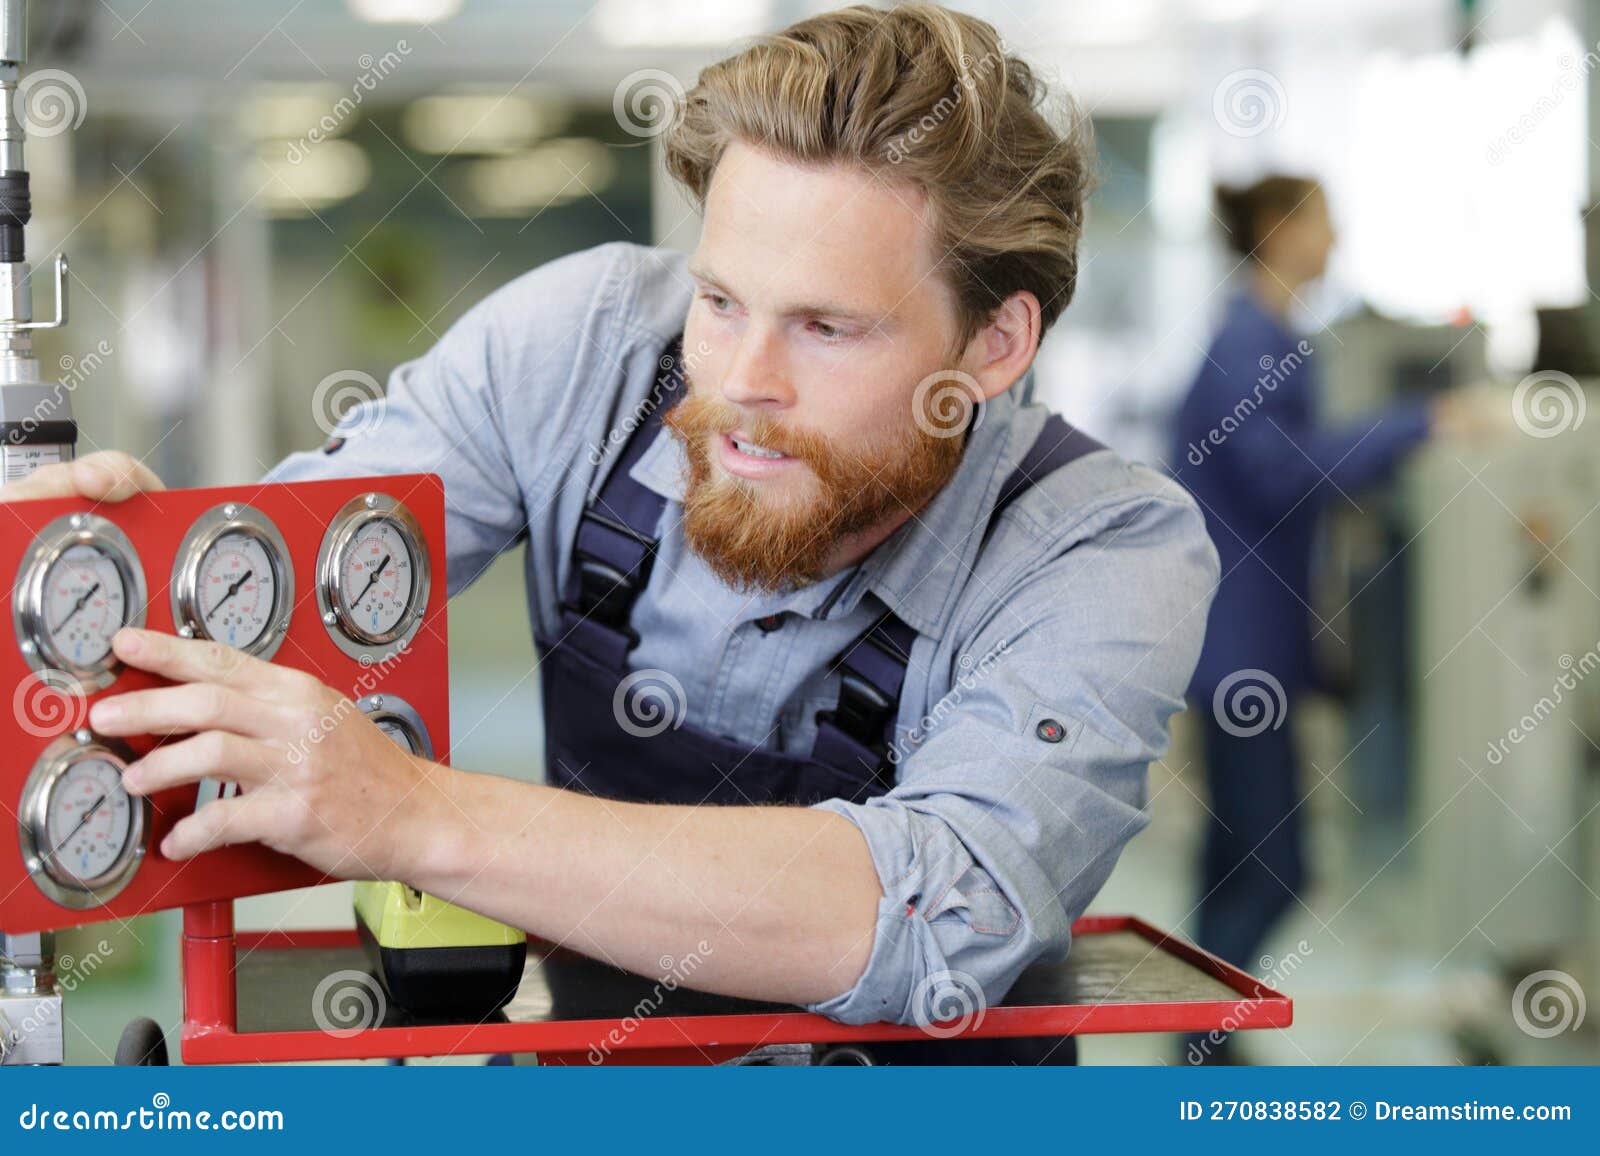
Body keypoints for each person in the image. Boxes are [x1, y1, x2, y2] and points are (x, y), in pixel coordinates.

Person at [5, 5, 1219, 1063]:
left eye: (827, 329)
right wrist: (86, 593)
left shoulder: (1104, 548)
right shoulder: (583, 348)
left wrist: (414, 813)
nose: (740, 381)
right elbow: (275, 603)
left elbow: (935, 910)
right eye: (721, 298)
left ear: (993, 344)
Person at [1171, 176, 1482, 1063]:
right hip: (1240, 652)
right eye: (1321, 219)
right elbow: (1279, 472)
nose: (1335, 237)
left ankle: (1204, 1046)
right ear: (1279, 229)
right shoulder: (1248, 339)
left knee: (1236, 859)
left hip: (1253, 643)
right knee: (1275, 865)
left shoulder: (1271, 339)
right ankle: (1201, 1045)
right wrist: (1419, 424)